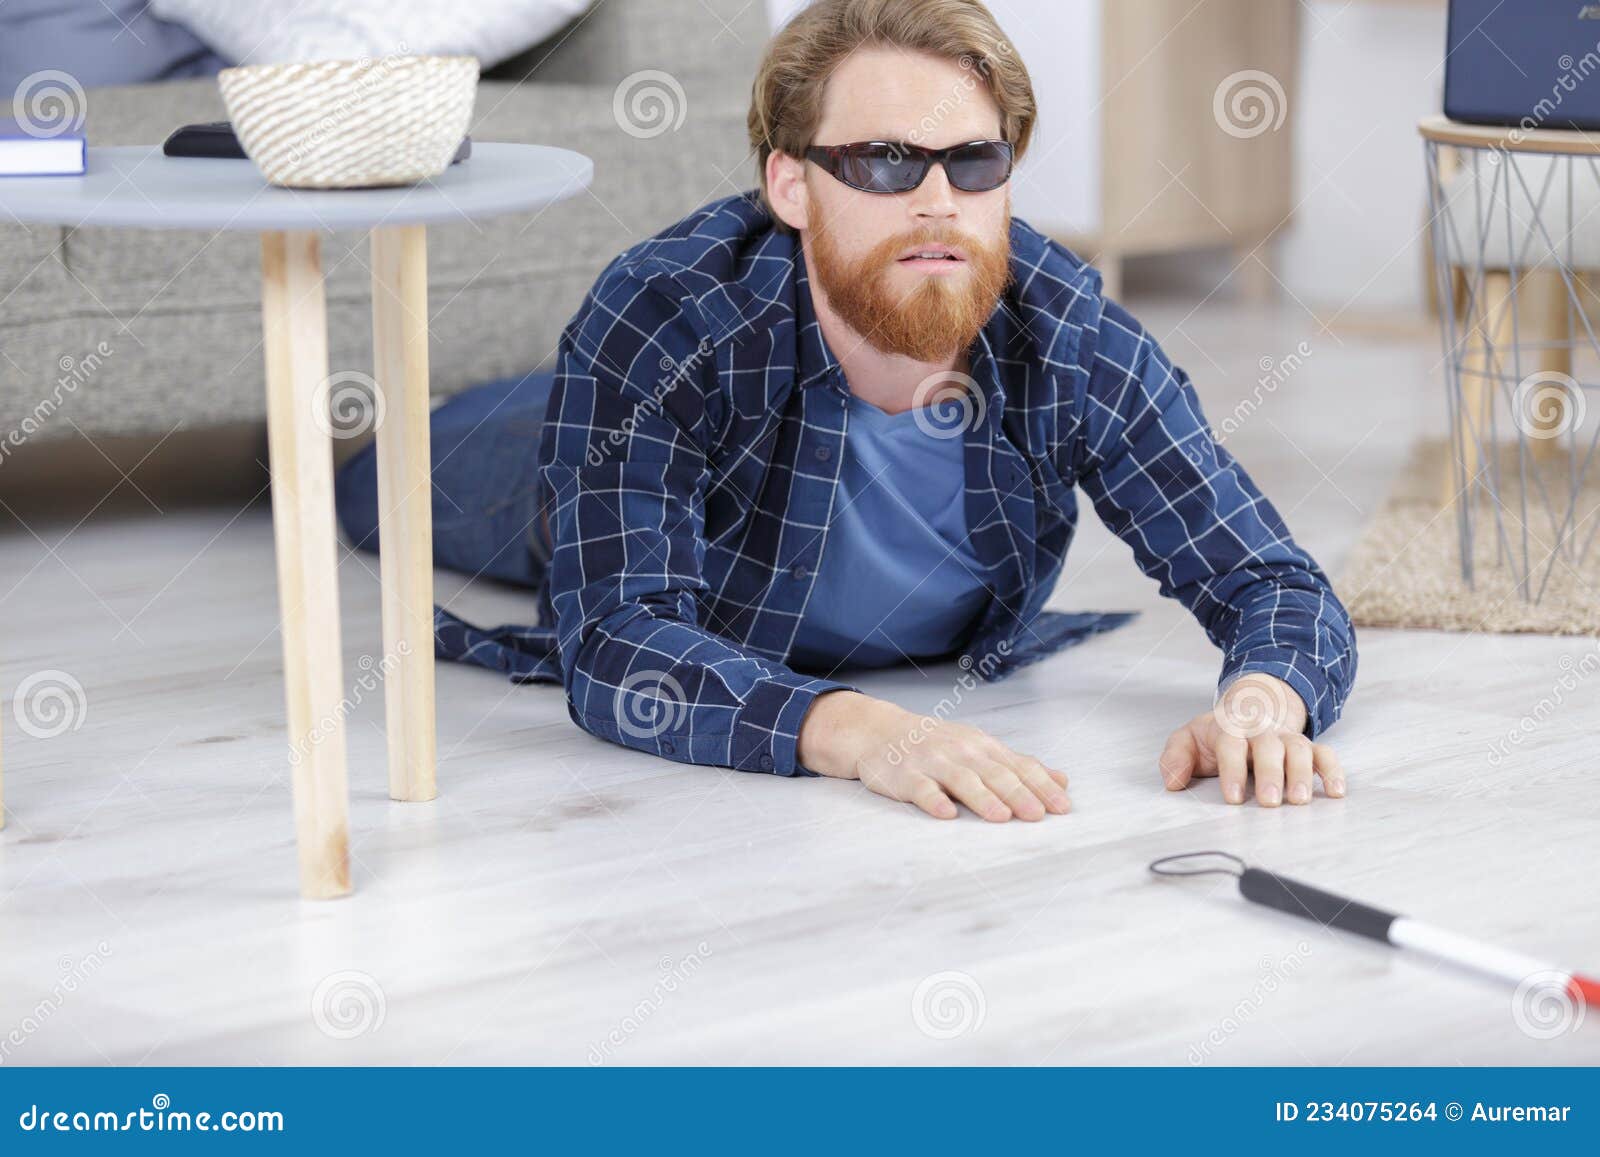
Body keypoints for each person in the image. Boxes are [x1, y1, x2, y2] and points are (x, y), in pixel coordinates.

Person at [336, 0, 1355, 822]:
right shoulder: (667, 317)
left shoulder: (1068, 332)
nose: (936, 201)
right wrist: (860, 731)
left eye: (973, 161)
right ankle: (427, 418)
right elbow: (614, 636)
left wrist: (1263, 699)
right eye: (881, 162)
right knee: (380, 484)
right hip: (550, 472)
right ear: (789, 183)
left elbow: (1268, 577)